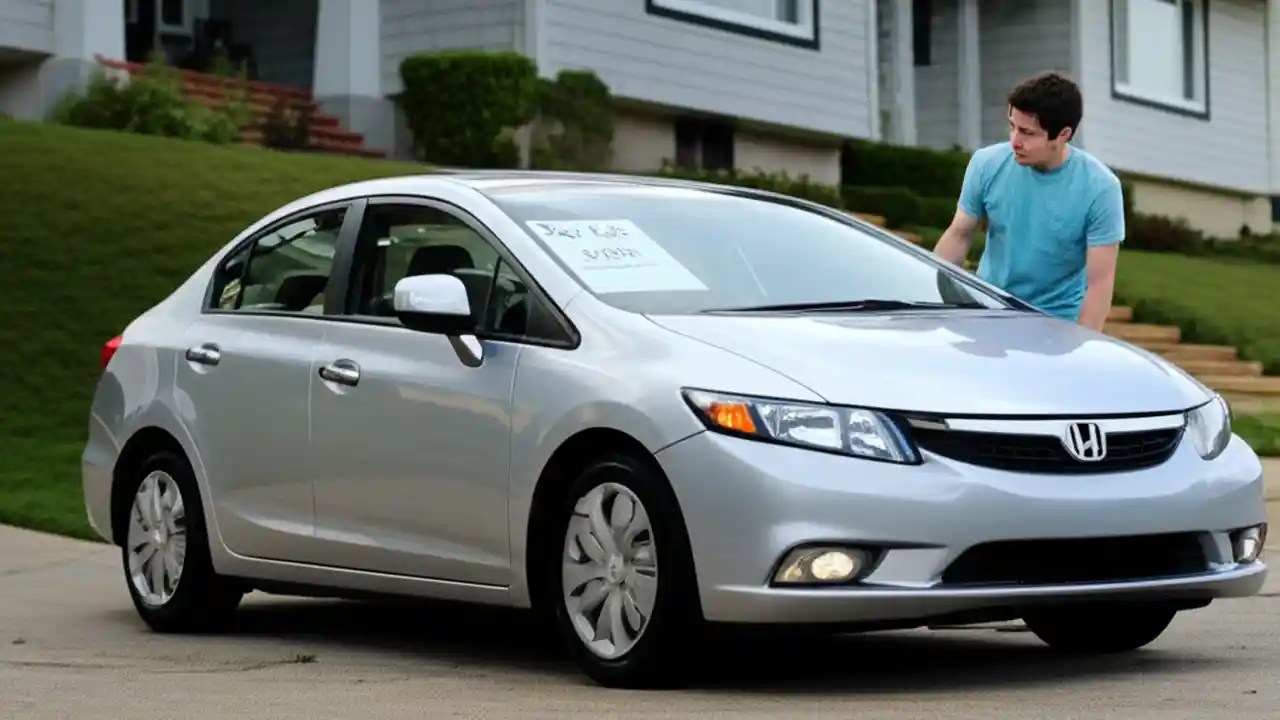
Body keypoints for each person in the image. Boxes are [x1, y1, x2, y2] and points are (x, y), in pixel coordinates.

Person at [933, 71, 1125, 332]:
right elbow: (959, 235)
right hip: (989, 313)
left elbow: (1100, 283)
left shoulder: (1101, 188)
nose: (1015, 141)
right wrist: (931, 306)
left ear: (1063, 134)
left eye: (1027, 133)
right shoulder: (986, 164)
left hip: (1056, 324)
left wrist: (1083, 348)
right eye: (1012, 126)